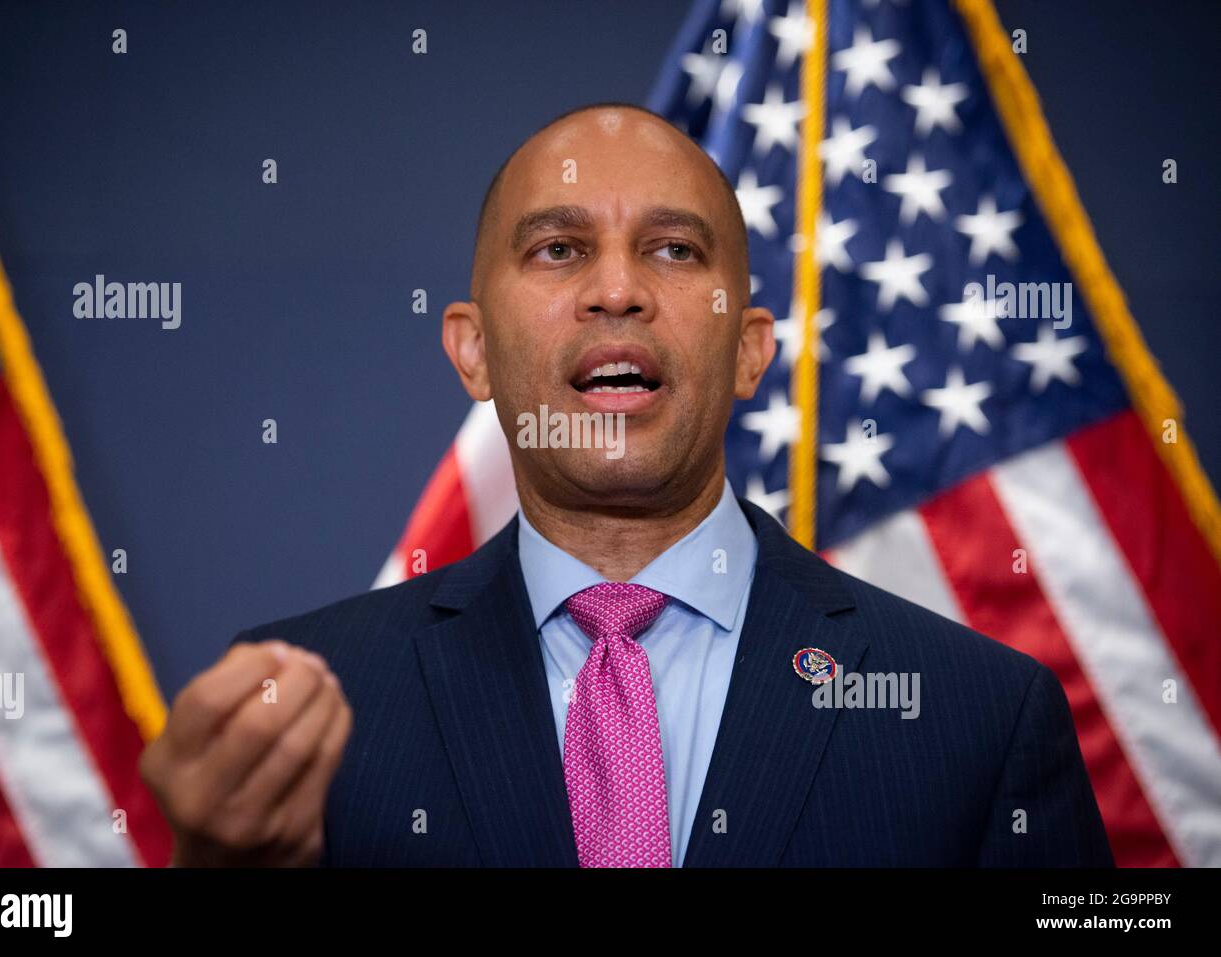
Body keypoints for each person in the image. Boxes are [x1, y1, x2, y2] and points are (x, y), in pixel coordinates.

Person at [139, 102, 1114, 868]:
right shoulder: (301, 707)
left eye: (674, 250)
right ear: (472, 353)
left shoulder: (980, 719)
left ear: (748, 350)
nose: (617, 290)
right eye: (558, 249)